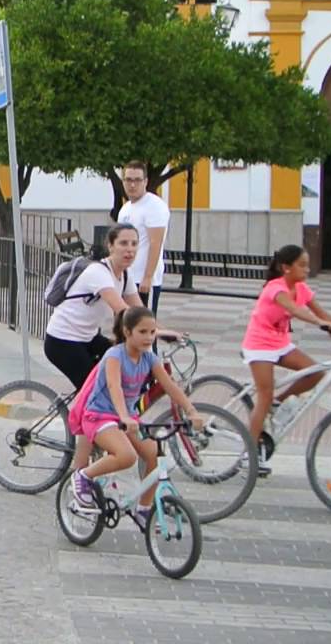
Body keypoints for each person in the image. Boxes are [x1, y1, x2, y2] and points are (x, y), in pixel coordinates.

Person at [44, 224, 178, 474]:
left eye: (134, 244)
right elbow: (124, 312)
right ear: (110, 246)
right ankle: (80, 471)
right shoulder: (99, 273)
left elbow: (141, 312)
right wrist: (155, 333)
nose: (129, 250)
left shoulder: (124, 275)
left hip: (87, 337)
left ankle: (100, 438)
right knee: (94, 398)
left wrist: (163, 330)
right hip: (62, 341)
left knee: (116, 367)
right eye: (123, 244)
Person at [68, 307, 203, 520]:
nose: (149, 337)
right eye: (143, 332)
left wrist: (191, 411)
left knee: (154, 455)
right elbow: (114, 386)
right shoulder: (114, 355)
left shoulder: (148, 358)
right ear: (127, 331)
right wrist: (124, 416)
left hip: (127, 419)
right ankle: (83, 476)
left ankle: (143, 508)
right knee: (127, 456)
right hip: (100, 416)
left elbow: (170, 385)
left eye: (152, 332)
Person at [241, 244, 331, 476]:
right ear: (286, 267)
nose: (307, 270)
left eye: (308, 265)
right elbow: (295, 310)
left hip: (280, 343)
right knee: (263, 396)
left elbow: (320, 311)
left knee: (315, 372)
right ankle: (250, 454)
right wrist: (320, 324)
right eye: (302, 265)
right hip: (259, 345)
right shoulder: (275, 288)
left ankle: (277, 403)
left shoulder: (301, 288)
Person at [118, 160, 169, 312]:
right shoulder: (125, 209)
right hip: (127, 278)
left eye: (137, 180)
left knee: (144, 325)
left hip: (143, 279)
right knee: (125, 325)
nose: (132, 185)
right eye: (128, 180)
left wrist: (148, 277)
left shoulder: (154, 206)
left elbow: (155, 242)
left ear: (145, 181)